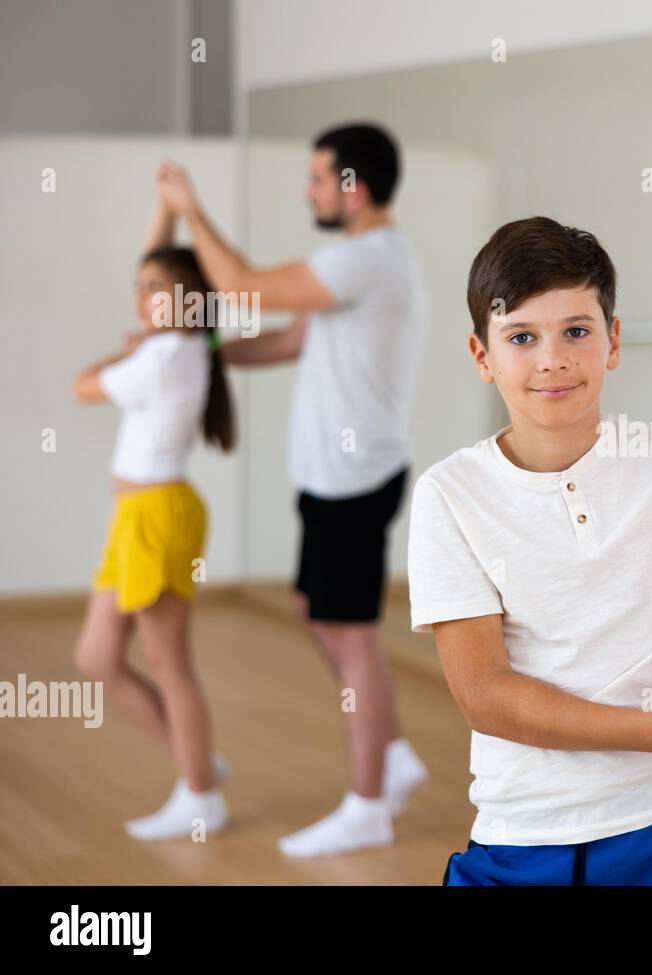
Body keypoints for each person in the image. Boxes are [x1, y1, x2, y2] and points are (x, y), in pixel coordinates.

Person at [406, 216, 652, 885]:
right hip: (520, 832)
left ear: (612, 341)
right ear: (481, 354)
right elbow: (485, 695)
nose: (552, 358)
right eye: (522, 336)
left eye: (575, 332)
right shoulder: (448, 494)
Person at [155, 123, 432, 856]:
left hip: (354, 479)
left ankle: (369, 802)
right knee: (318, 610)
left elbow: (243, 285)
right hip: (329, 478)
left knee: (356, 635)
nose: (307, 191)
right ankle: (393, 753)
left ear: (354, 188)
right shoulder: (354, 266)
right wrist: (202, 348)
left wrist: (189, 208)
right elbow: (287, 340)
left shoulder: (364, 260)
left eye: (316, 179)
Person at [72, 192, 236, 841]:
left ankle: (201, 795)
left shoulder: (163, 355)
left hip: (157, 516)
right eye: (138, 288)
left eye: (155, 290)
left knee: (170, 665)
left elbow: (82, 385)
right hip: (137, 517)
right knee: (95, 656)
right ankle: (199, 765)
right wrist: (167, 210)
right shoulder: (180, 342)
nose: (142, 299)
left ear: (188, 299)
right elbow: (156, 264)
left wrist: (123, 349)